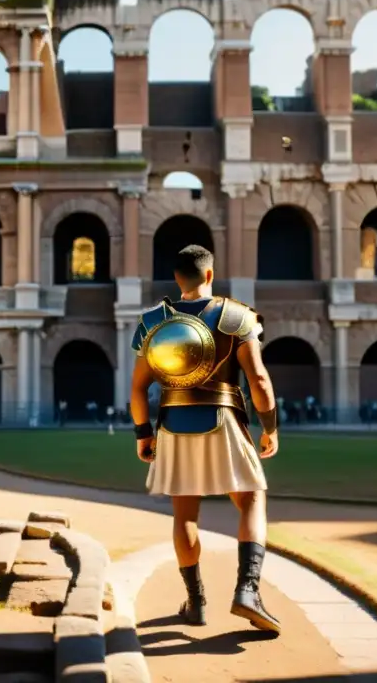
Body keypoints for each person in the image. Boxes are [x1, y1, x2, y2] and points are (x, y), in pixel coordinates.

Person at [129, 244, 281, 635]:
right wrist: (270, 426)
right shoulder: (237, 317)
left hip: (172, 424)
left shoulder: (154, 322)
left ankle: (195, 602)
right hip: (224, 418)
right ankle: (247, 590)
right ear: (210, 274)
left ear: (176, 278)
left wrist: (143, 435)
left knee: (185, 515)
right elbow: (259, 380)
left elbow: (137, 391)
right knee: (250, 498)